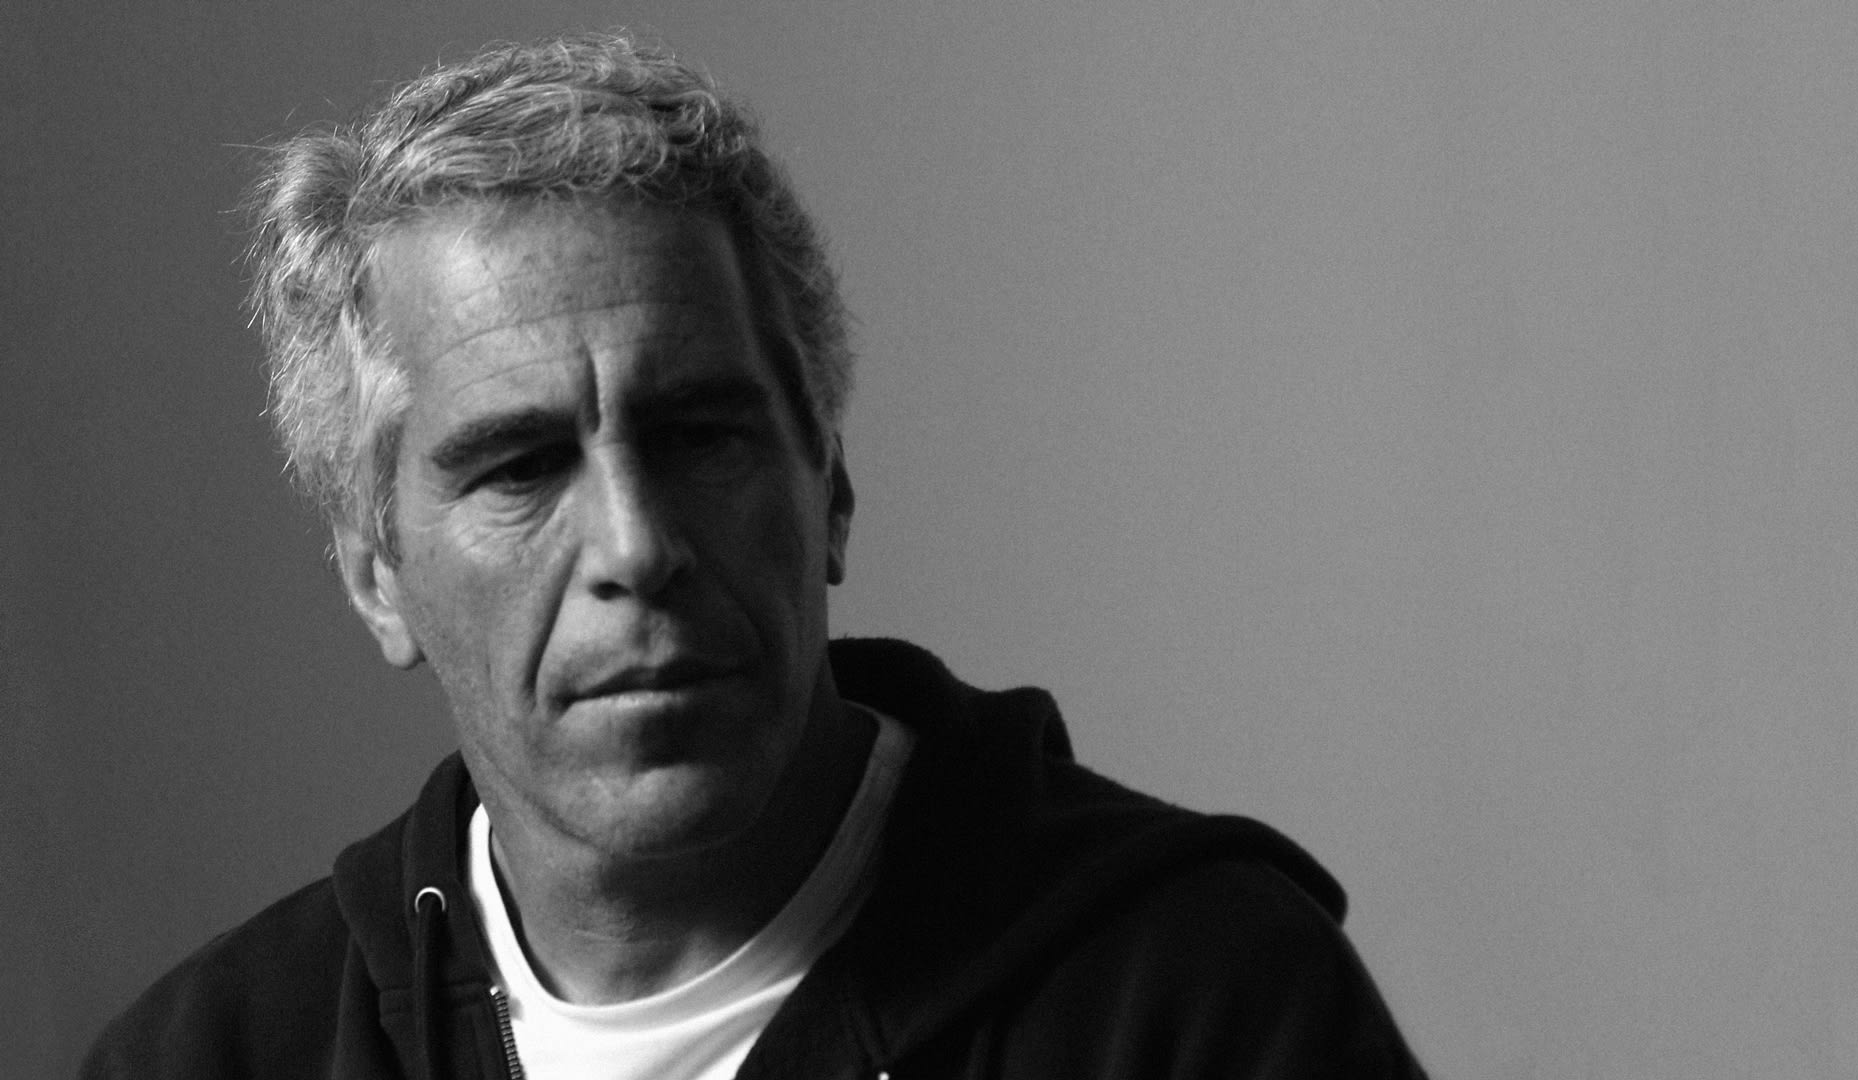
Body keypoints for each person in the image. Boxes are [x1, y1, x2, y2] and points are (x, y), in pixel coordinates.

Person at [82, 33, 1427, 1080]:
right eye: (521, 467)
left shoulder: (1198, 1002)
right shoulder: (210, 1058)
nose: (635, 545)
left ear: (828, 487)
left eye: (700, 436)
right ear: (377, 576)